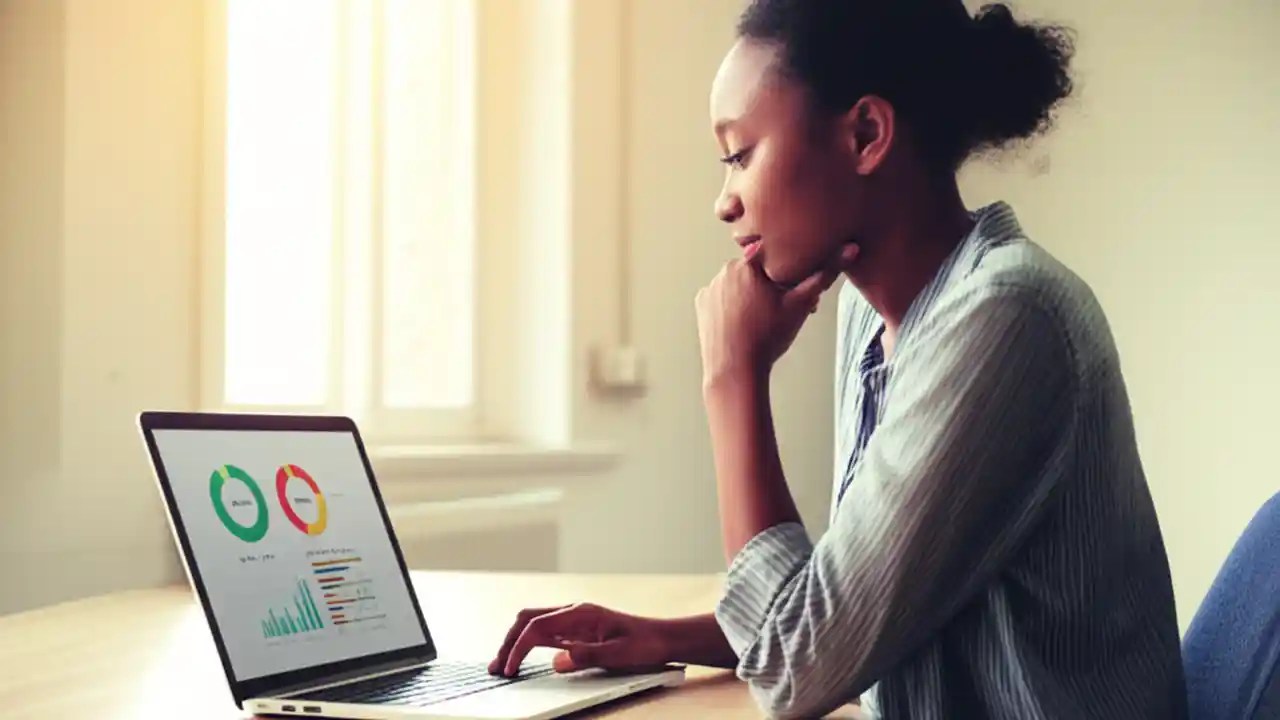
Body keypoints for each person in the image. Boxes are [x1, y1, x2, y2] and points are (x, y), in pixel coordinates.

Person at [489, 0, 1189, 717]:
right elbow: (857, 605)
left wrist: (733, 377)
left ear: (865, 135)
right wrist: (665, 637)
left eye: (739, 154)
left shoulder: (1005, 317)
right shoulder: (871, 312)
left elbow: (796, 672)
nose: (723, 203)